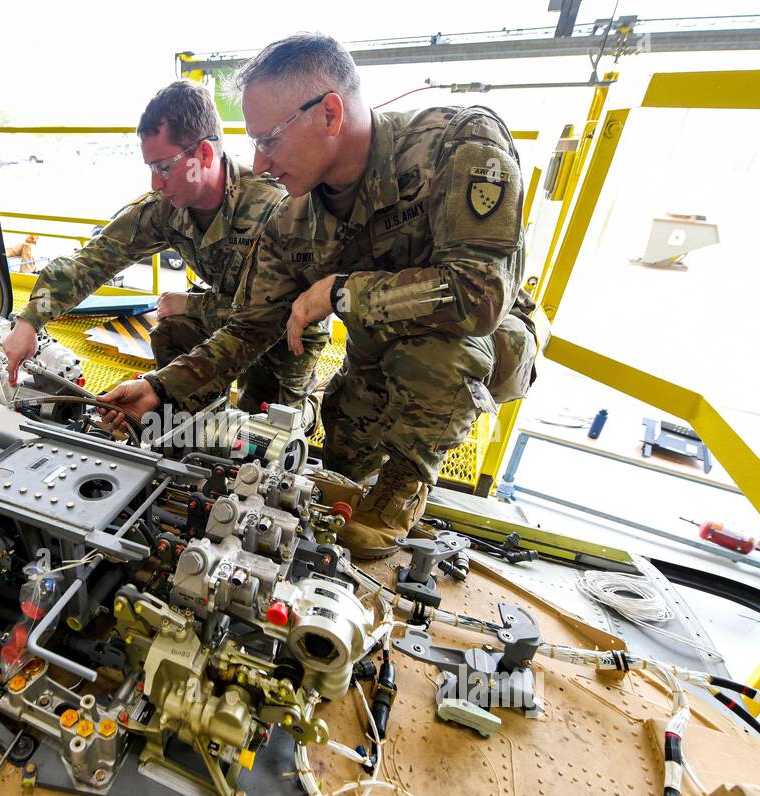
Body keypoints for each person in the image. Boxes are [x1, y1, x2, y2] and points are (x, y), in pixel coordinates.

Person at [103, 34, 543, 558]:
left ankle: (407, 484)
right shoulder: (293, 219)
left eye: (268, 140)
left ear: (330, 113)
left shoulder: (456, 144)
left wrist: (341, 293)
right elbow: (249, 327)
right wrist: (160, 388)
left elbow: (479, 295)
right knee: (335, 483)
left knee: (431, 356)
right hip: (373, 354)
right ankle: (370, 484)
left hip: (478, 342)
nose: (259, 165)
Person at [1, 79, 329, 415]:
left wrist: (194, 308)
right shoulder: (167, 205)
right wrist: (30, 321)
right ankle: (188, 429)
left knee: (262, 434)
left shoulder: (273, 208)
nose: (155, 183)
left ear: (203, 153)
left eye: (164, 167)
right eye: (151, 168)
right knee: (173, 334)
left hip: (285, 334)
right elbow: (94, 259)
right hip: (230, 316)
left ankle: (307, 405)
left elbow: (265, 319)